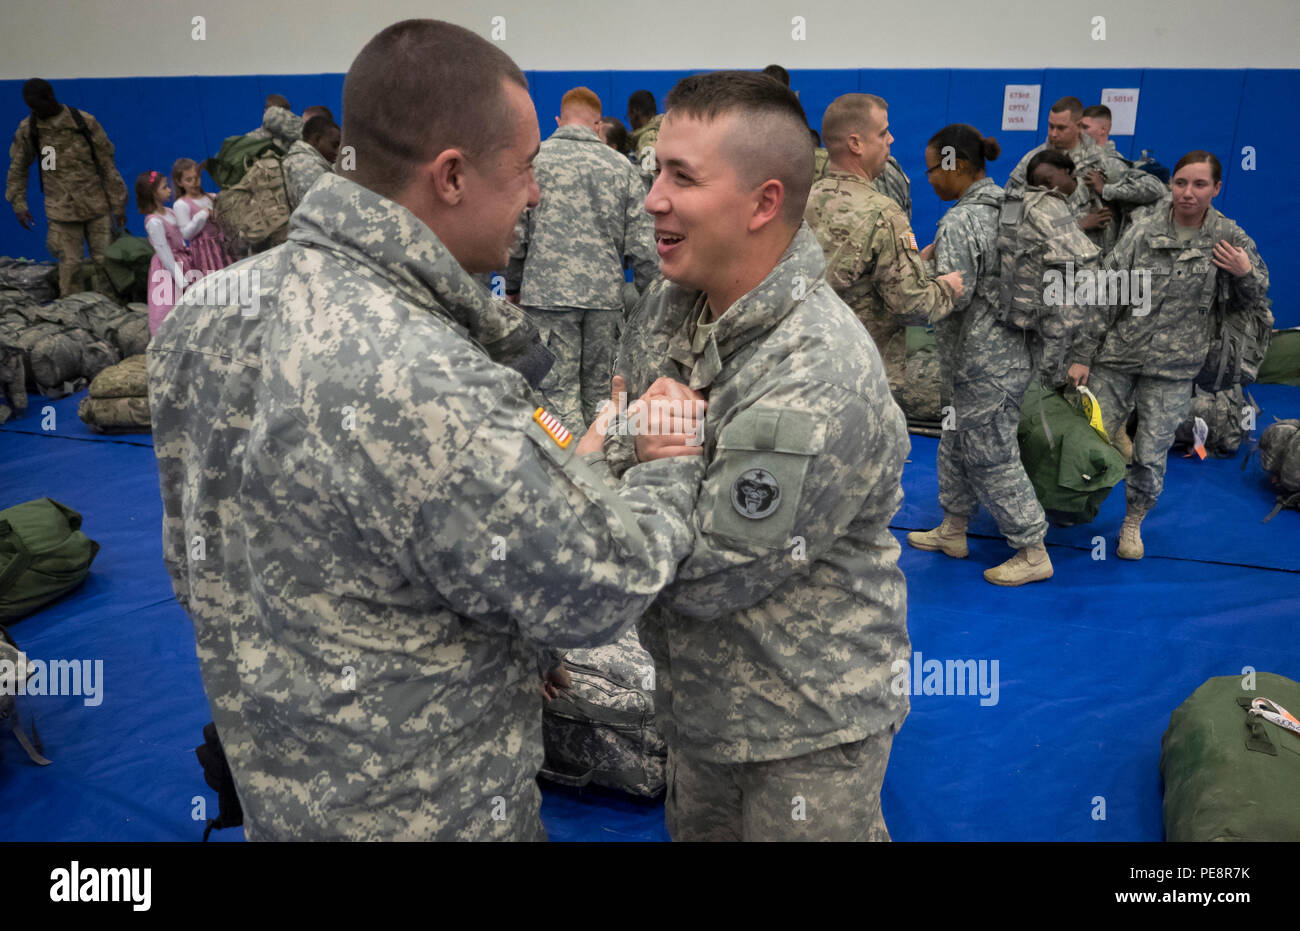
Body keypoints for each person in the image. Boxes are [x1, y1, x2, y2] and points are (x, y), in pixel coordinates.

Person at [148, 18, 708, 842]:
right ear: (451, 176)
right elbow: (598, 585)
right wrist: (665, 460)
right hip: (434, 808)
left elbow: (195, 562)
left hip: (281, 793)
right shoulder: (431, 374)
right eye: (523, 170)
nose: (536, 195)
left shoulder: (205, 315)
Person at [607, 71, 911, 841]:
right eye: (655, 172)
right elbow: (615, 431)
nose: (653, 199)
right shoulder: (672, 304)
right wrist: (631, 448)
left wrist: (646, 458)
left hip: (802, 728)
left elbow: (711, 570)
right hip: (699, 706)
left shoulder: (815, 367)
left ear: (763, 202)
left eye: (683, 177)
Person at [1065, 151, 1269, 560]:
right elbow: (1107, 293)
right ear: (1170, 185)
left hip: (1175, 368)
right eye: (1180, 183)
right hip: (1120, 356)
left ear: (1216, 188)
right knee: (1087, 433)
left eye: (1198, 185)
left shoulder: (1229, 238)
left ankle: (1133, 522)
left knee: (1151, 453)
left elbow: (1254, 300)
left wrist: (1245, 273)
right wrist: (1083, 354)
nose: (1188, 193)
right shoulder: (1144, 230)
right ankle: (1073, 504)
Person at [907, 124, 1053, 586]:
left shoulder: (960, 221)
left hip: (981, 362)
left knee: (992, 453)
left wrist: (914, 278)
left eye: (933, 168)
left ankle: (1032, 549)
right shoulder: (1009, 207)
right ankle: (954, 528)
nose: (929, 178)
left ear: (954, 165)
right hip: (1000, 354)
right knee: (954, 439)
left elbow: (956, 293)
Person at [505, 86, 658, 429]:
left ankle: (565, 471)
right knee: (603, 396)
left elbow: (514, 236)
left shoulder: (535, 162)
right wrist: (652, 303)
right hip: (604, 300)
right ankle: (602, 470)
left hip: (547, 298)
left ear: (559, 119)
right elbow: (643, 246)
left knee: (554, 398)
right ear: (598, 123)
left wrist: (511, 287)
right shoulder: (621, 167)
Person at [805, 93, 964, 397]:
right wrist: (948, 287)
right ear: (856, 144)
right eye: (882, 132)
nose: (890, 139)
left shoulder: (803, 202)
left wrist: (917, 261)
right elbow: (912, 305)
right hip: (861, 378)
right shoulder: (884, 214)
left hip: (809, 367)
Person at [6, 78, 127, 296]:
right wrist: (19, 203)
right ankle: (74, 314)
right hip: (60, 211)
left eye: (37, 105)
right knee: (70, 267)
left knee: (106, 263)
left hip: (96, 206)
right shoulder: (30, 129)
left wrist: (118, 204)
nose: (34, 111)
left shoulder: (83, 123)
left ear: (50, 98)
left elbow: (107, 165)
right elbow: (18, 169)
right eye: (30, 107)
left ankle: (111, 309)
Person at [1004, 96, 1164, 215]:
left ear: (1078, 126)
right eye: (1050, 126)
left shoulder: (1101, 160)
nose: (1053, 134)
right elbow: (1009, 204)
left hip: (1095, 253)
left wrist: (1107, 190)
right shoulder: (1034, 159)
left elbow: (1155, 188)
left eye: (1061, 128)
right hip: (1051, 250)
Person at [1027, 149, 1117, 255]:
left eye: (1048, 180)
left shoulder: (1095, 185)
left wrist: (1106, 190)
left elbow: (1139, 191)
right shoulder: (1041, 208)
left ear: (1065, 169)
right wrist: (1079, 225)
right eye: (1040, 188)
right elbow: (1046, 238)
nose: (1047, 189)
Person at [139, 170, 196, 335]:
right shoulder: (154, 221)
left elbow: (182, 237)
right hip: (168, 269)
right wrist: (181, 280)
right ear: (152, 193)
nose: (169, 190)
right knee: (168, 304)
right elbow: (164, 252)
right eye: (164, 187)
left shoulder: (170, 212)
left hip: (184, 261)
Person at [172, 157, 233, 278]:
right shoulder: (181, 205)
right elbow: (186, 234)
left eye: (197, 178)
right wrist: (203, 215)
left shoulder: (211, 197)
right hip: (206, 253)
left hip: (225, 247)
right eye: (189, 180)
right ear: (179, 183)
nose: (195, 182)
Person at [282, 115, 340, 211]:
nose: (337, 152)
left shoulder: (299, 159)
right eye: (334, 145)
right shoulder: (308, 167)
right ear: (316, 140)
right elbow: (321, 212)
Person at [627, 89, 662, 179]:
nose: (629, 121)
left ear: (635, 112)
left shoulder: (648, 138)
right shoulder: (663, 130)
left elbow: (649, 176)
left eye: (628, 115)